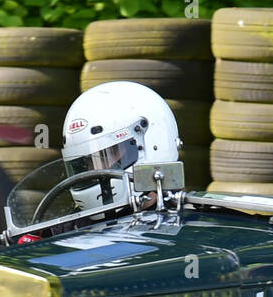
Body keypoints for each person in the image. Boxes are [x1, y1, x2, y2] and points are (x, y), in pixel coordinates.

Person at [59, 81, 182, 212]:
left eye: (107, 156)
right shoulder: (69, 227)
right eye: (86, 162)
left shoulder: (186, 223)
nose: (93, 169)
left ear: (154, 145)